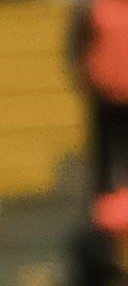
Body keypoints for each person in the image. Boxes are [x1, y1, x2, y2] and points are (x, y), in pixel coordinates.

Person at [71, 0, 128, 197]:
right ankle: (103, 217)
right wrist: (83, 74)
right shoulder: (95, 7)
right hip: (106, 97)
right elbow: (79, 42)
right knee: (105, 161)